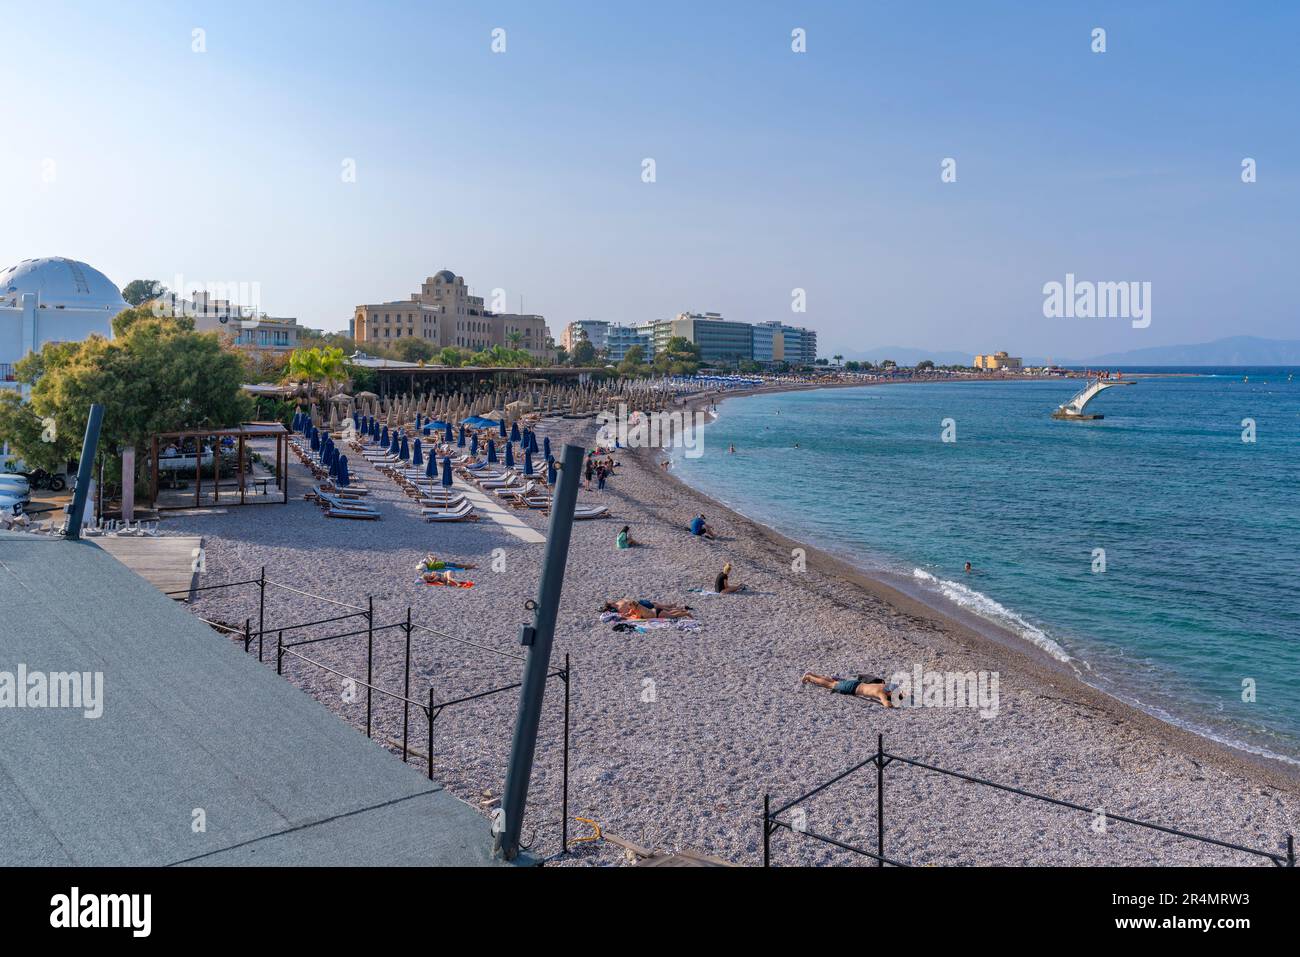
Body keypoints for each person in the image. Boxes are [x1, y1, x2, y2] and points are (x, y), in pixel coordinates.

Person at [801, 672, 895, 708]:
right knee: (830, 685)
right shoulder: (882, 693)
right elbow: (886, 704)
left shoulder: (882, 685)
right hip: (853, 688)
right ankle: (809, 677)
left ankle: (812, 674)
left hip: (855, 683)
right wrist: (890, 703)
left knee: (834, 681)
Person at [602, 598, 693, 620]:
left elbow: (638, 616)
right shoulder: (636, 607)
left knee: (672, 615)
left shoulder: (637, 609)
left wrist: (628, 617)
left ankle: (685, 613)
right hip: (655, 612)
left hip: (656, 614)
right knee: (670, 612)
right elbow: (632, 611)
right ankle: (682, 611)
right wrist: (628, 614)